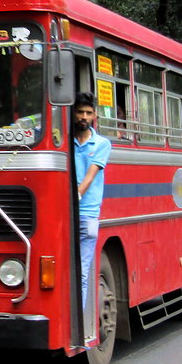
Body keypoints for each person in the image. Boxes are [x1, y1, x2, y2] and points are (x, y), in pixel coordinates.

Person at [73, 91, 111, 304]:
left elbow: (90, 176)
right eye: (80, 112)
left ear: (94, 116)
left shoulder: (101, 144)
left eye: (88, 113)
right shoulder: (63, 141)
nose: (84, 117)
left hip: (87, 215)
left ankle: (78, 322)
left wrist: (74, 197)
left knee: (83, 271)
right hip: (66, 214)